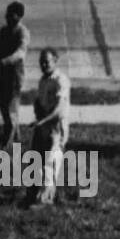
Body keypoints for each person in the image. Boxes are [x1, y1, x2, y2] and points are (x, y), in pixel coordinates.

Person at [27, 47, 71, 207]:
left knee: (49, 163)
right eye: (41, 62)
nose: (43, 65)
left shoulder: (61, 81)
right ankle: (33, 195)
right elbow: (40, 102)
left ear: (55, 61)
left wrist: (42, 121)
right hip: (43, 125)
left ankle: (45, 199)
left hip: (56, 129)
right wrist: (37, 111)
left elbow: (59, 109)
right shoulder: (43, 80)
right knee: (34, 159)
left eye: (47, 61)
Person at [0, 0, 30, 152]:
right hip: (3, 74)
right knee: (3, 104)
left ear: (19, 16)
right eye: (7, 14)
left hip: (15, 75)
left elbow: (19, 54)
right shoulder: (3, 31)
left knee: (11, 107)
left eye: (11, 15)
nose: (7, 17)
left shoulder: (23, 32)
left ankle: (8, 143)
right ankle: (15, 135)